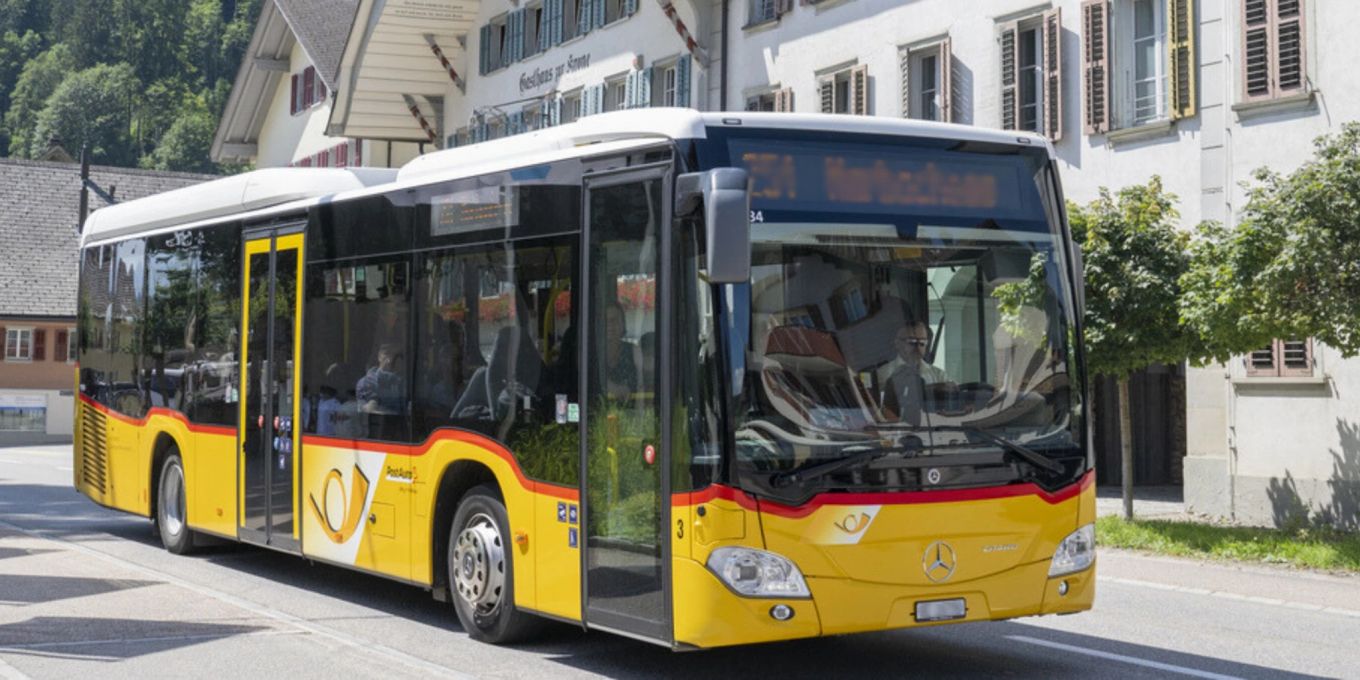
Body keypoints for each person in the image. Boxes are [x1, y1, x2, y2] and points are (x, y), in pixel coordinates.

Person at [883, 321, 949, 424]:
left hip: (934, 432)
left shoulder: (939, 375)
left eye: (922, 343)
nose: (917, 347)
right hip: (895, 431)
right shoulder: (882, 374)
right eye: (911, 342)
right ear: (897, 343)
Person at [356, 343, 405, 414]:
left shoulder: (404, 383)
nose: (390, 360)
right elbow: (369, 412)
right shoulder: (366, 382)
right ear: (379, 357)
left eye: (395, 356)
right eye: (386, 354)